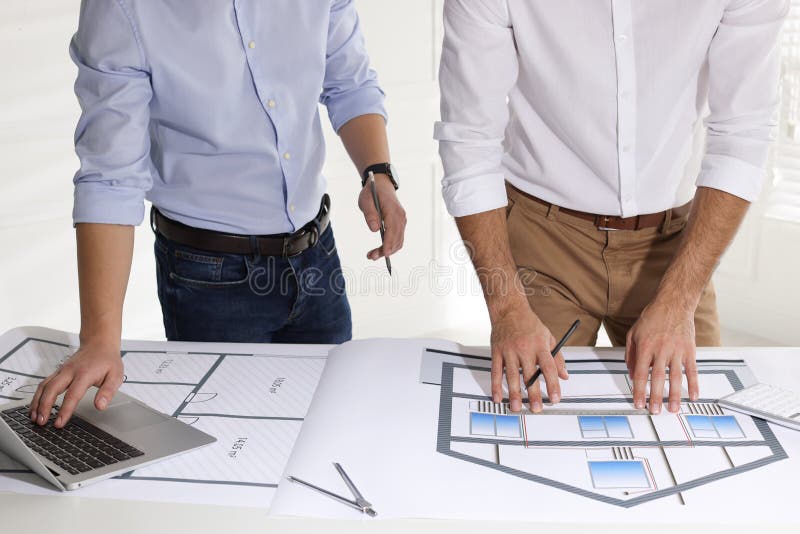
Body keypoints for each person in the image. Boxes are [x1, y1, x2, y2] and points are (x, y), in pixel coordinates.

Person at [30, 0, 406, 428]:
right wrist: (99, 338)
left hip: (317, 257)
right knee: (235, 443)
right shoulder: (123, 7)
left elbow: (349, 82)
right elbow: (110, 177)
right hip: (210, 279)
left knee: (330, 428)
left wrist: (377, 173)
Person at [435, 0, 788, 414]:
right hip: (542, 237)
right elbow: (469, 142)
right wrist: (508, 308)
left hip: (672, 244)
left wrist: (678, 303)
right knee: (534, 422)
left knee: (697, 420)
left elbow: (742, 137)